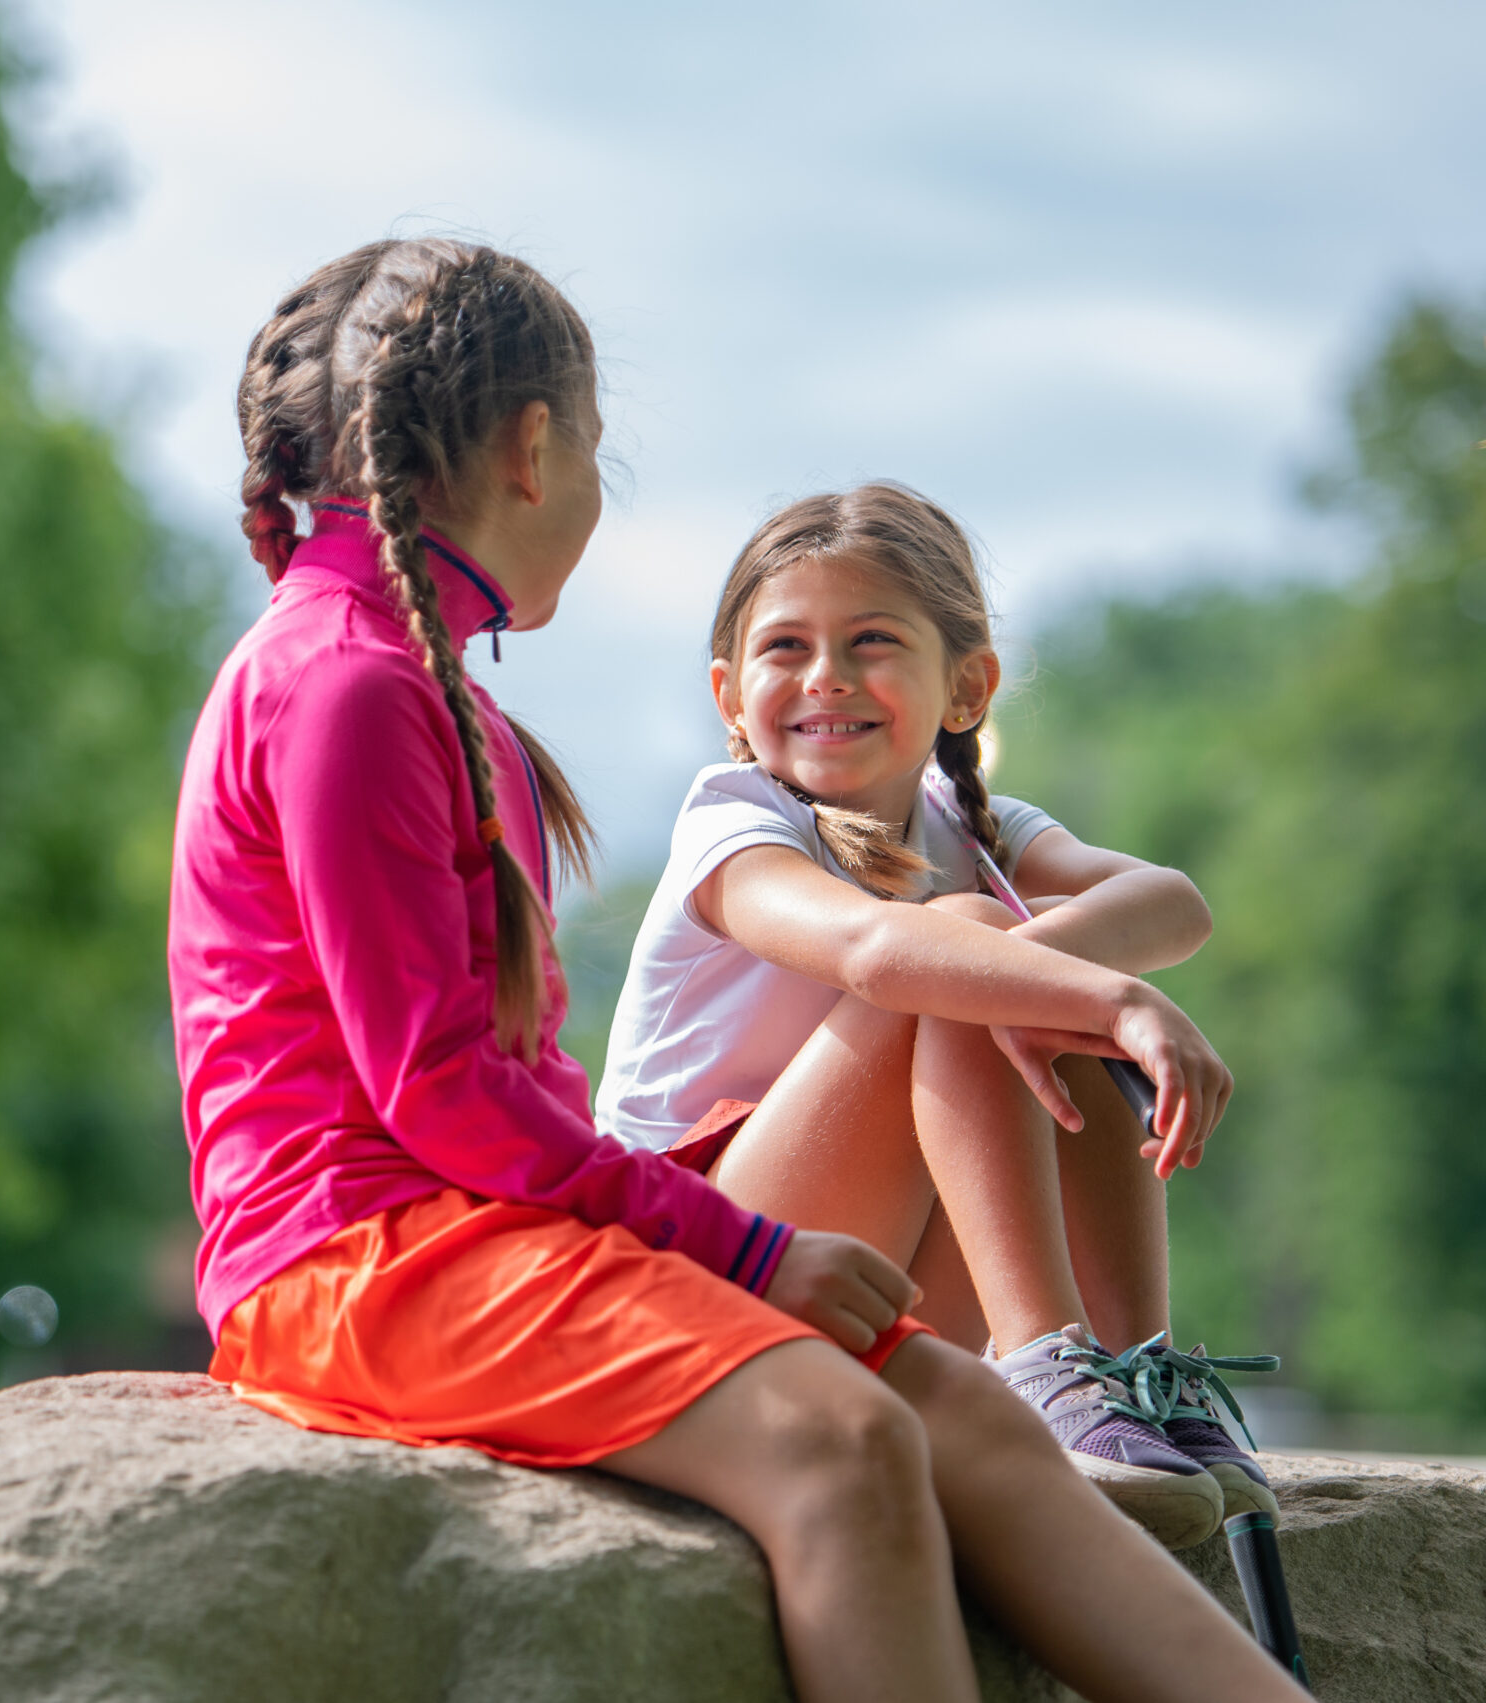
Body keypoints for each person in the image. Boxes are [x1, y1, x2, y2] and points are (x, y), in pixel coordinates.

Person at [171, 237, 1302, 1703]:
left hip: (488, 1231)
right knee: (843, 1442)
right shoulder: (343, 682)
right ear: (533, 449)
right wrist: (748, 1250)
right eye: (593, 446)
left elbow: (501, 1099)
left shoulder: (427, 690)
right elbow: (437, 1093)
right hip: (354, 1261)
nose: (594, 484)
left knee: (965, 1415)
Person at [594, 482, 1276, 1549]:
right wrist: (1099, 992)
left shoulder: (974, 823)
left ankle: (1134, 1364)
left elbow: (1172, 898)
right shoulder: (730, 829)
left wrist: (1062, 977)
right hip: (696, 1268)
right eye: (786, 646)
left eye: (870, 641)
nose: (825, 676)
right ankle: (1042, 1355)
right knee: (963, 952)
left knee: (1003, 957)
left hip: (865, 1267)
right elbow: (875, 950)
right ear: (729, 694)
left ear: (966, 686)